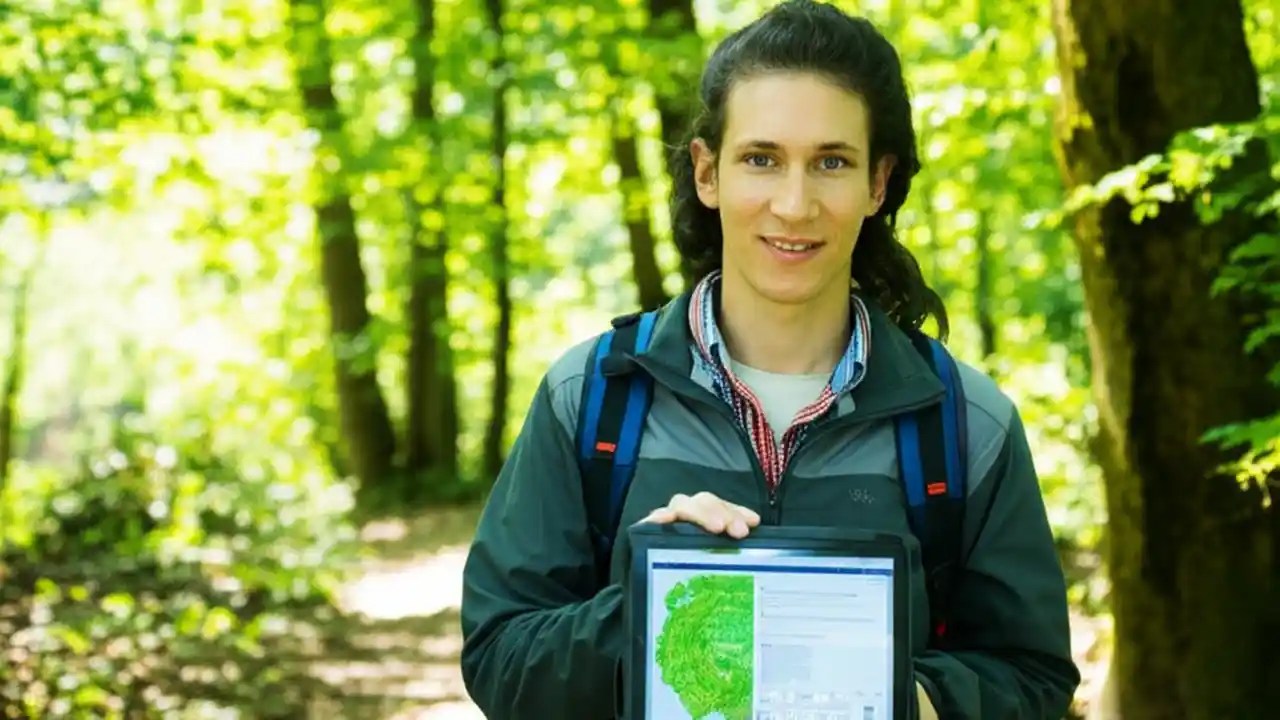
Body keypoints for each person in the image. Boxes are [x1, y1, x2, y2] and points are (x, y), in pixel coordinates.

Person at [459, 1, 1081, 717]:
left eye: (831, 163)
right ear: (707, 172)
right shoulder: (592, 398)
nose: (793, 203)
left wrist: (903, 701)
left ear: (877, 184)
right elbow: (500, 658)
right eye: (761, 159)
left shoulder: (967, 426)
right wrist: (646, 601)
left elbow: (1033, 677)